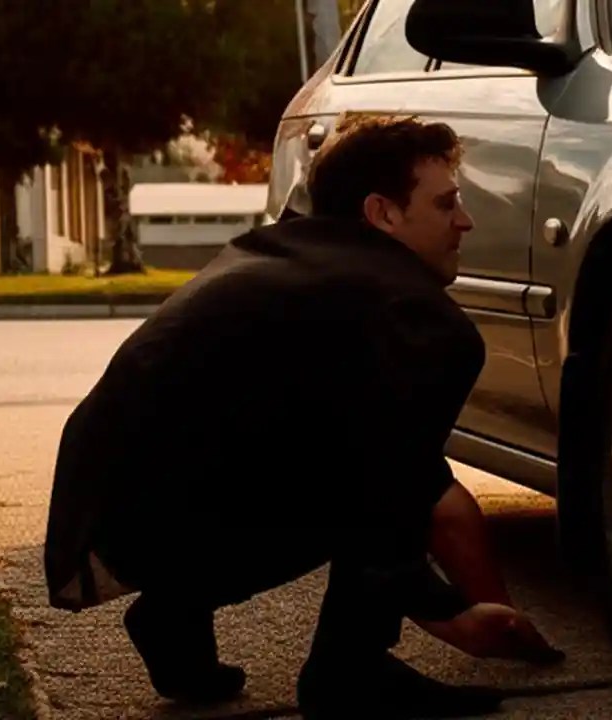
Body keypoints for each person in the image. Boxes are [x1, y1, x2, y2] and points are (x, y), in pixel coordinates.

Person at [42, 112, 564, 719]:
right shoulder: (416, 317)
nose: (465, 221)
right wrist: (451, 614)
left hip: (103, 521)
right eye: (446, 204)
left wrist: (466, 603)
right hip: (167, 520)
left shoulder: (280, 255)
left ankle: (173, 616)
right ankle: (349, 673)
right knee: (367, 482)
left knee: (327, 459)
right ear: (382, 213)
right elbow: (389, 490)